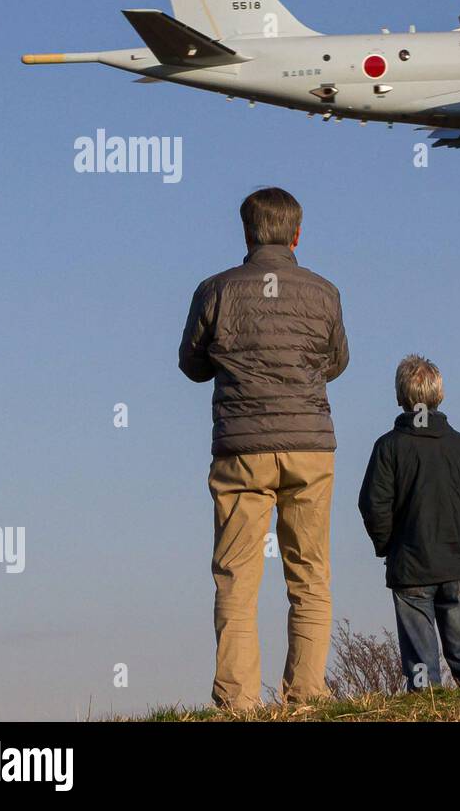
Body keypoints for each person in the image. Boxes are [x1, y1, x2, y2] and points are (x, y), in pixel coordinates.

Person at [179, 187, 349, 709]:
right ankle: (306, 695)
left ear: (247, 231)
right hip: (309, 445)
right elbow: (336, 362)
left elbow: (191, 364)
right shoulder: (324, 292)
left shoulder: (216, 289)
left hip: (241, 448)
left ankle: (237, 701)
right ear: (297, 233)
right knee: (310, 575)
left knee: (235, 576)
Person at [358, 355, 460, 690]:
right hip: (457, 566)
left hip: (410, 570)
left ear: (399, 397)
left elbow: (373, 506)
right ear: (439, 396)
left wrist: (391, 546)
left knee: (422, 670)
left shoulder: (387, 448)